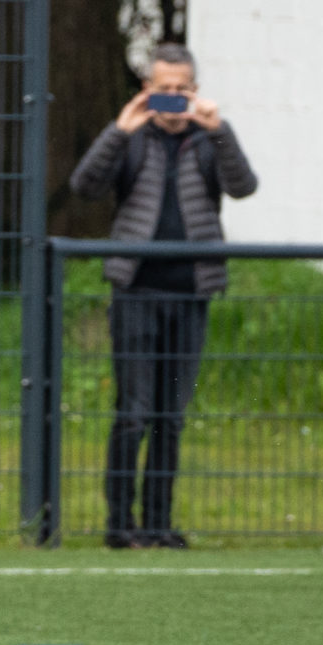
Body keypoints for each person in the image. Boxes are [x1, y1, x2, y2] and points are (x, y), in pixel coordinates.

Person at [67, 44, 258, 549]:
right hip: (135, 293)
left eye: (182, 89)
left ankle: (158, 524)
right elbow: (84, 185)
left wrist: (220, 130)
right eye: (163, 89)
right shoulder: (131, 139)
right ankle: (119, 526)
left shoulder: (208, 139)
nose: (173, 99)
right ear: (148, 90)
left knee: (171, 417)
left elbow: (244, 187)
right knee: (132, 413)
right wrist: (120, 128)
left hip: (191, 295)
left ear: (194, 91)